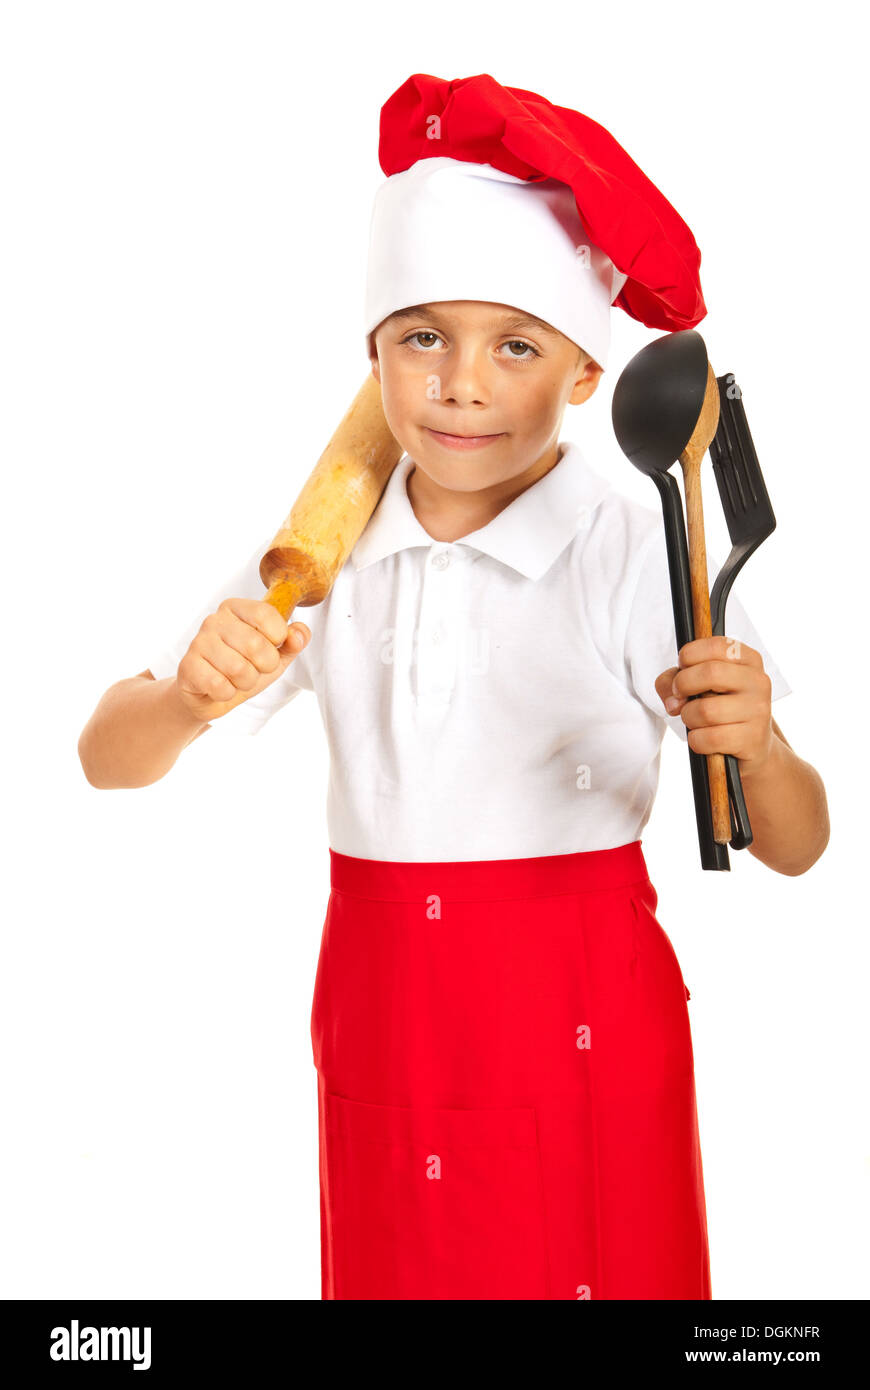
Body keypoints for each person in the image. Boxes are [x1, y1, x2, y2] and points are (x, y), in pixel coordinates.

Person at [77, 74, 829, 1300]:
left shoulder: (633, 543)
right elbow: (106, 756)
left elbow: (796, 844)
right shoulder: (317, 552)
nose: (463, 384)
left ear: (584, 374)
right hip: (387, 1025)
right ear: (371, 355)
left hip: (581, 1021)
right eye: (422, 337)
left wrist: (760, 750)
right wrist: (186, 702)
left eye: (515, 345)